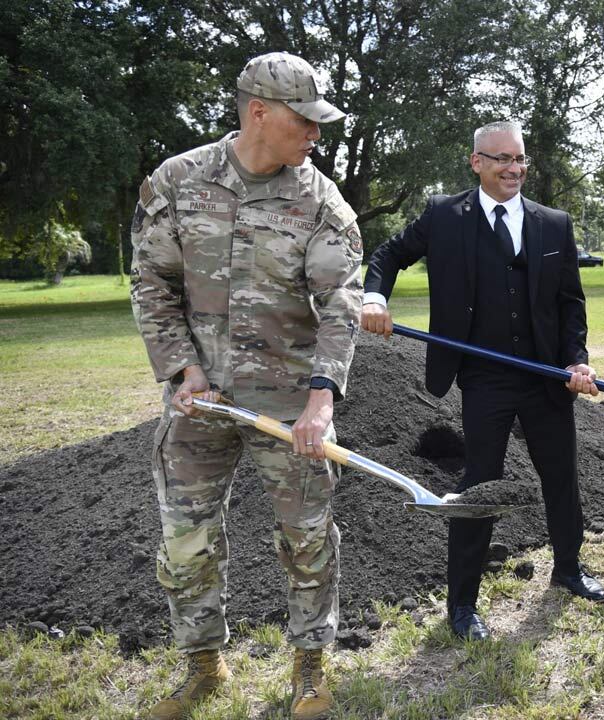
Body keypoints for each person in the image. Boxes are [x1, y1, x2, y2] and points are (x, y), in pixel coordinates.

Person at [130, 52, 361, 720]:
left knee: (307, 538)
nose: (315, 134)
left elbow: (341, 305)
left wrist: (321, 401)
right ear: (258, 112)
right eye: (304, 120)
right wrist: (184, 369)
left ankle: (310, 664)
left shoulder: (321, 201)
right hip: (199, 401)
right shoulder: (179, 181)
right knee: (186, 539)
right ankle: (204, 665)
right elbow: (151, 283)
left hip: (289, 404)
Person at [361, 121, 604, 641]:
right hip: (483, 379)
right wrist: (375, 298)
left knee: (561, 476)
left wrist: (576, 361)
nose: (514, 169)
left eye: (520, 159)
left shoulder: (554, 223)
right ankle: (463, 606)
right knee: (479, 486)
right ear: (476, 162)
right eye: (502, 159)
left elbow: (570, 303)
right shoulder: (443, 216)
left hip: (544, 376)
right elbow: (386, 256)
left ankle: (568, 569)